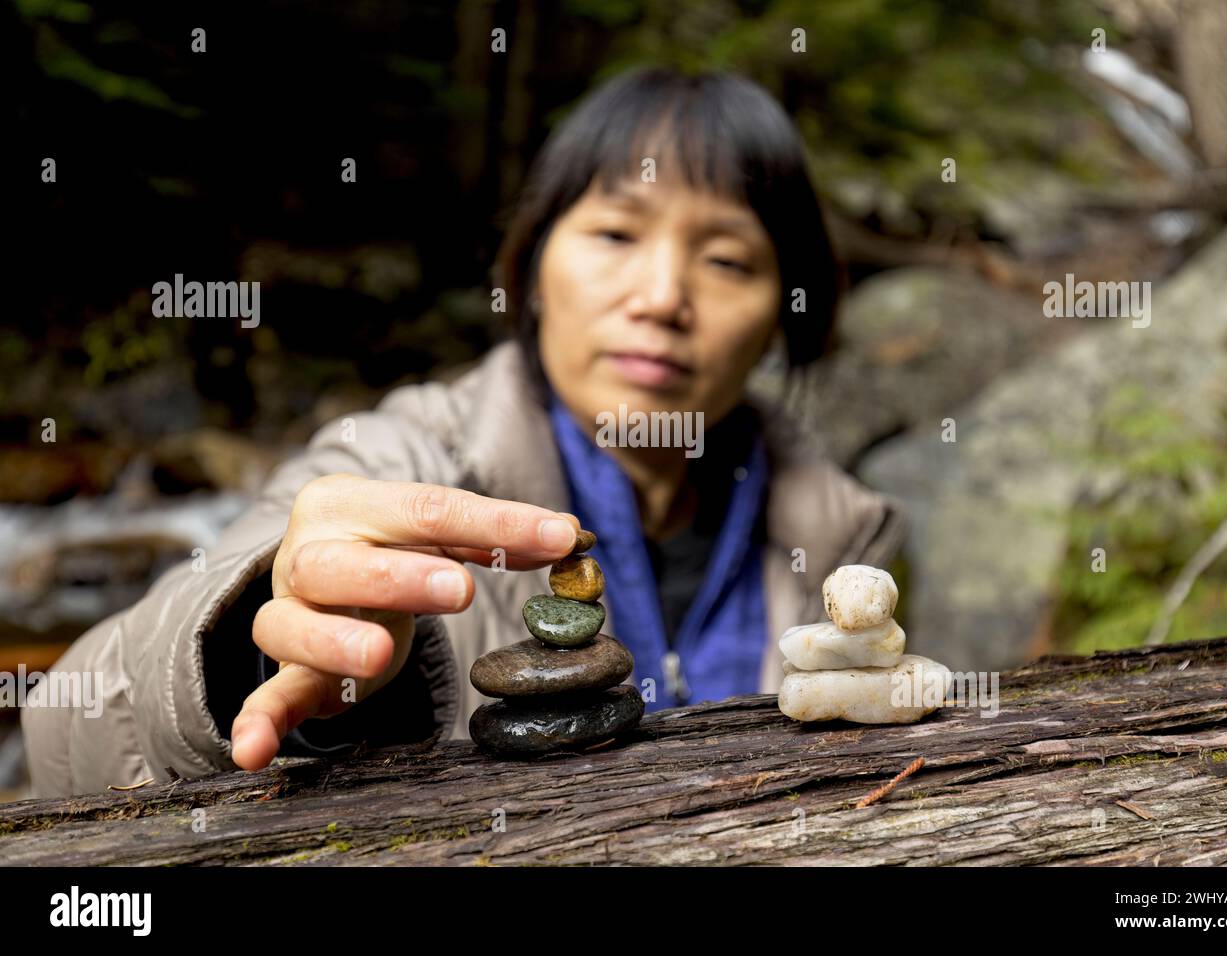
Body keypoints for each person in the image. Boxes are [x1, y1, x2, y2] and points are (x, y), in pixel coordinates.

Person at [22, 65, 906, 798]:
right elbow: (68, 715)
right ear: (530, 269)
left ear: (788, 309)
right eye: (613, 232)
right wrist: (254, 640)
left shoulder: (845, 535)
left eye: (725, 259)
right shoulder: (404, 457)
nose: (662, 297)